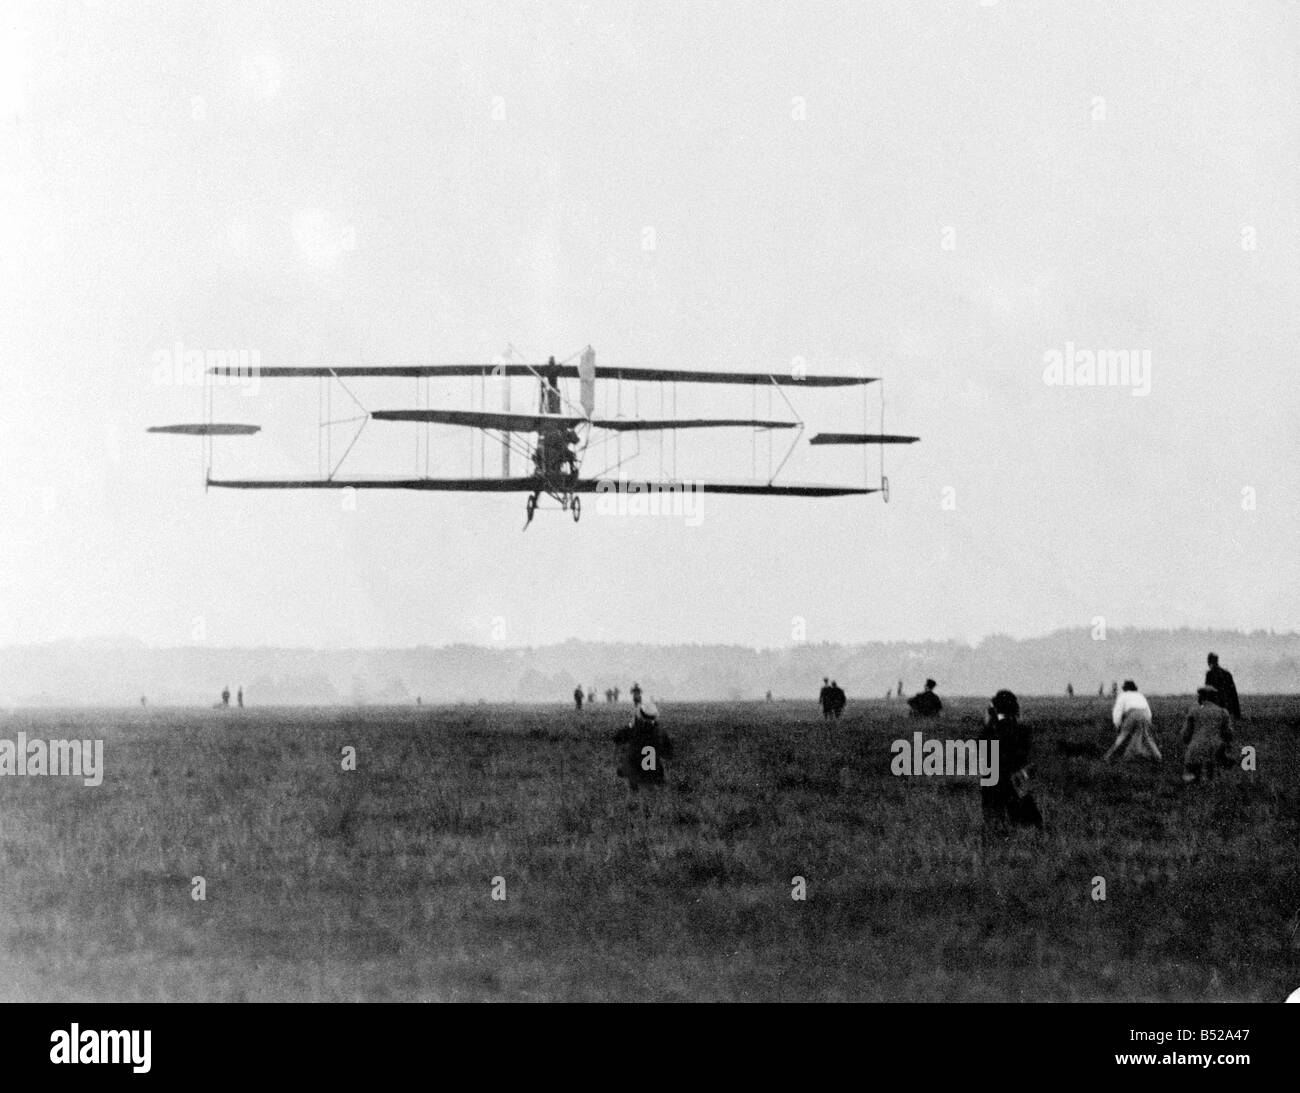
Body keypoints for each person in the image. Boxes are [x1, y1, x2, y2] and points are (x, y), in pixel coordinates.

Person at [980, 690, 1043, 830]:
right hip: (1017, 782)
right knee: (1028, 822)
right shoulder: (1023, 730)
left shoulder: (989, 732)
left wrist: (990, 720)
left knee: (994, 824)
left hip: (992, 786)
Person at [614, 699, 672, 791]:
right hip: (655, 774)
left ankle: (634, 789)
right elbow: (669, 754)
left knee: (625, 753)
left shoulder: (634, 729)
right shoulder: (661, 732)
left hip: (634, 772)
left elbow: (617, 738)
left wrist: (630, 725)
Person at [1183, 685, 1233, 784]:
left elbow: (1186, 733)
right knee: (1213, 777)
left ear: (1201, 697)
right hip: (1216, 748)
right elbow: (1228, 733)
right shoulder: (1223, 712)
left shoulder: (1194, 711)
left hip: (1195, 747)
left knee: (1192, 778)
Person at [1103, 680, 1162, 762]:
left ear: (1125, 688)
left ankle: (1108, 757)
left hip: (1132, 714)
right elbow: (1148, 711)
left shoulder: (1123, 695)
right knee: (1148, 737)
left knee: (1123, 736)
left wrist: (1117, 725)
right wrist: (1149, 722)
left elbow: (1117, 711)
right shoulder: (1140, 695)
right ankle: (1158, 757)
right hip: (1144, 715)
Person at [1204, 653, 1242, 721]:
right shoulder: (1227, 674)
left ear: (1209, 662)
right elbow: (1234, 694)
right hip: (1227, 707)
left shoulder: (1209, 674)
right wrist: (1237, 713)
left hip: (1215, 708)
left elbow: (1207, 692)